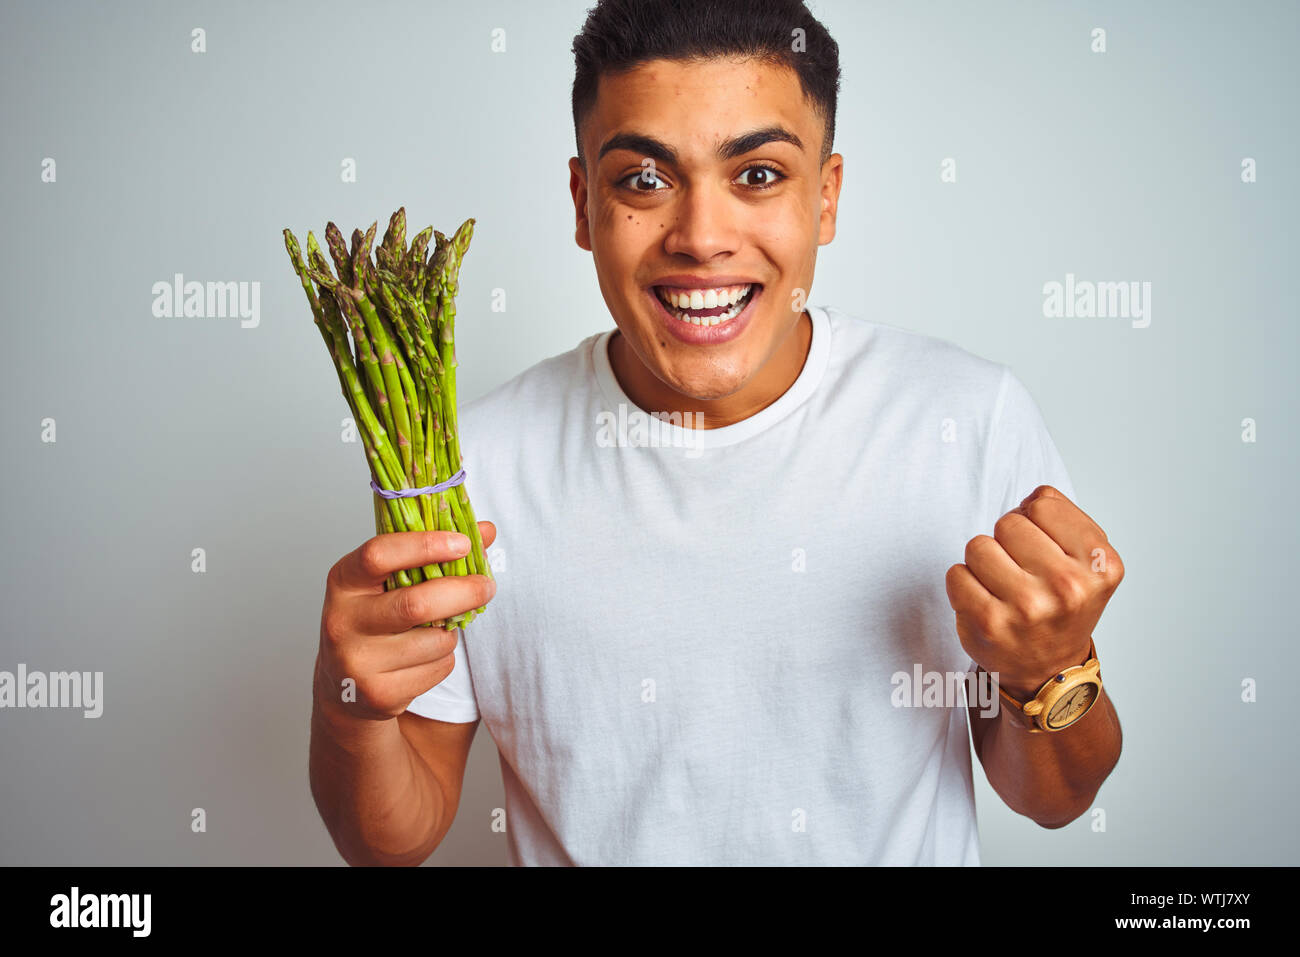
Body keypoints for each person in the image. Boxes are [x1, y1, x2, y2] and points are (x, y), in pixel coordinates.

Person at [308, 0, 1124, 866]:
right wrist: (346, 706)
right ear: (584, 205)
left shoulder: (968, 418)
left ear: (827, 198)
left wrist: (1053, 667)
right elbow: (391, 841)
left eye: (759, 175)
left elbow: (1055, 799)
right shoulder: (462, 467)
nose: (701, 237)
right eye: (644, 181)